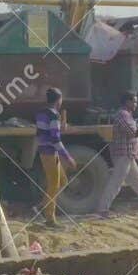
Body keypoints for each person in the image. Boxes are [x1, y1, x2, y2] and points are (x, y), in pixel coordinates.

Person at [96, 91, 138, 216]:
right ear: (127, 102)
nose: (136, 104)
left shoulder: (127, 115)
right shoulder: (122, 115)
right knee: (116, 182)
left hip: (128, 154)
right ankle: (102, 209)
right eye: (134, 101)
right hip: (122, 154)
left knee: (137, 180)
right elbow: (132, 132)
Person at [34, 87, 76, 226]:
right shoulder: (54, 115)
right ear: (59, 100)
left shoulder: (41, 113)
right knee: (54, 185)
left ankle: (42, 207)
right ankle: (50, 219)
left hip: (43, 151)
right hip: (50, 153)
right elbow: (55, 139)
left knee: (62, 182)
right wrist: (67, 157)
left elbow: (46, 132)